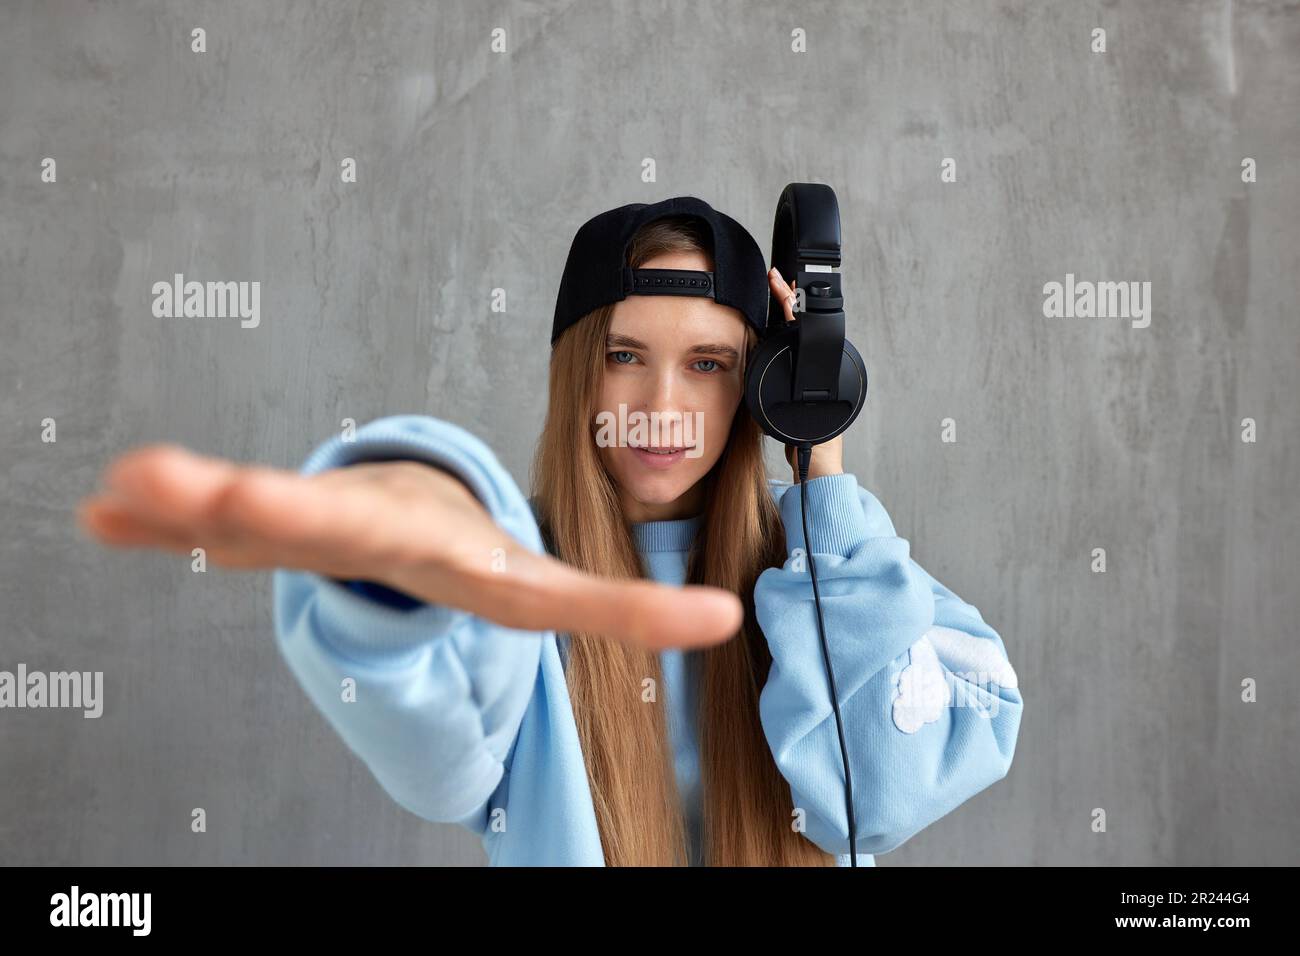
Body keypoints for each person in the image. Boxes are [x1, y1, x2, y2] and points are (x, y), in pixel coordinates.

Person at [78, 195, 1024, 867]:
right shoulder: (514, 580)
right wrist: (395, 578)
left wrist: (822, 464)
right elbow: (435, 758)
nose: (662, 404)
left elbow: (879, 800)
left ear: (761, 386)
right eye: (625, 356)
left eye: (708, 363)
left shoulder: (845, 573)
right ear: (581, 374)